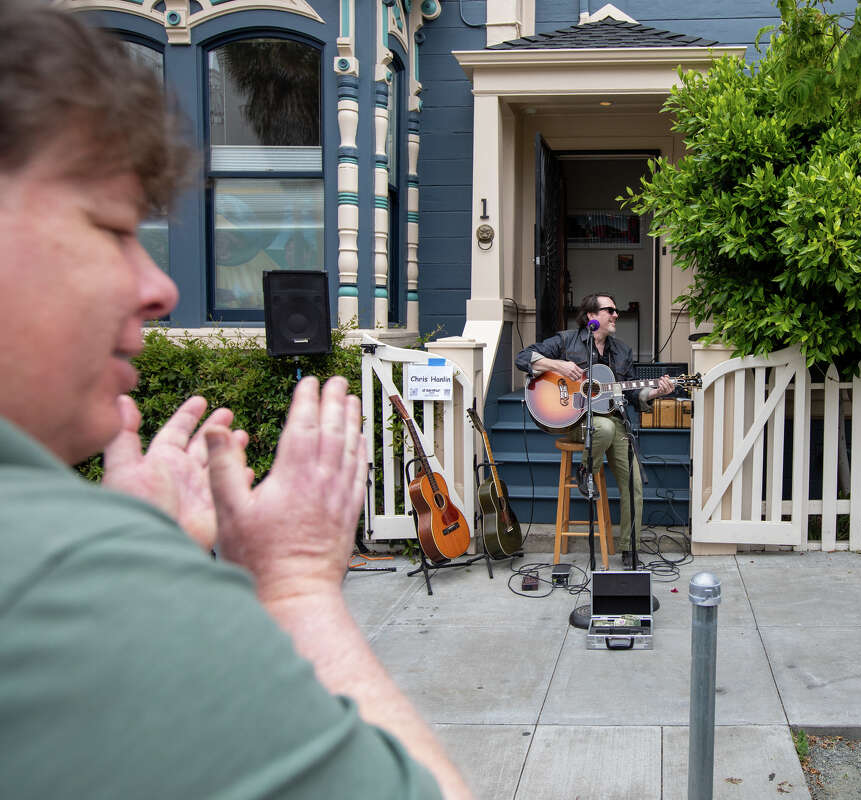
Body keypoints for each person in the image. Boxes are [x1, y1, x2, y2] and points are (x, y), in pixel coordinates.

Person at [0, 4, 470, 798]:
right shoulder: (55, 574)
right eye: (113, 227)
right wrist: (293, 584)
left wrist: (160, 558)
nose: (160, 286)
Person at [516, 292, 673, 568]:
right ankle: (586, 469)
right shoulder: (566, 341)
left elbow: (632, 394)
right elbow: (523, 357)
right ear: (591, 316)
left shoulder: (622, 351)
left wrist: (655, 394)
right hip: (575, 420)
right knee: (601, 427)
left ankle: (629, 547)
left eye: (615, 311)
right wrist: (559, 364)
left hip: (614, 419)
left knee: (634, 482)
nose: (616, 315)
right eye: (609, 310)